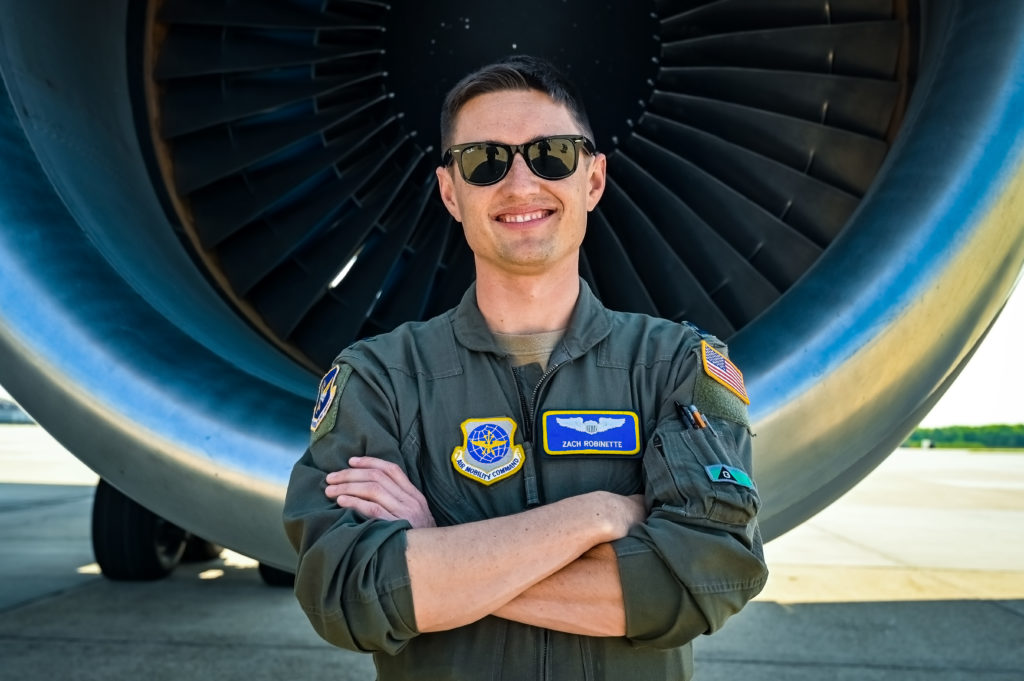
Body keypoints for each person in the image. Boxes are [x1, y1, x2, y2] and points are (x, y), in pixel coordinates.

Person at [283, 55, 768, 681]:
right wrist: (599, 514)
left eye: (553, 155)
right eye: (485, 161)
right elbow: (346, 595)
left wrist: (436, 549)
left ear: (592, 180)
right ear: (451, 192)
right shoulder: (379, 379)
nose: (520, 185)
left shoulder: (679, 365)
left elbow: (705, 576)